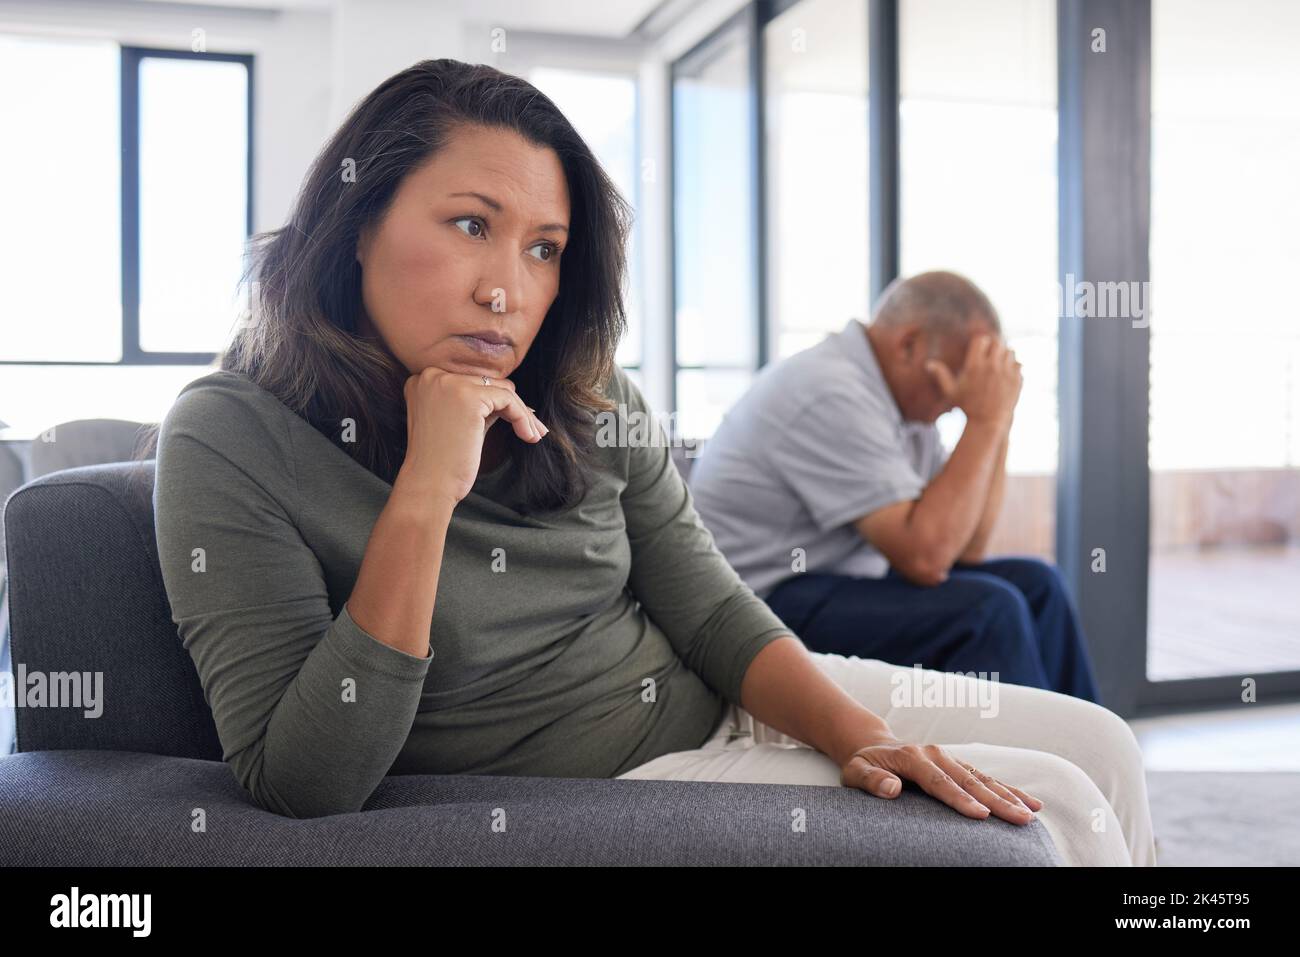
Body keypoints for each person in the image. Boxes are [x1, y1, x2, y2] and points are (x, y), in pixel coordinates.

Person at [149, 59, 1151, 865]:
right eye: (470, 226)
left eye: (544, 249)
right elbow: (304, 782)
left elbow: (712, 609)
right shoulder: (227, 436)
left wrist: (852, 734)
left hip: (723, 705)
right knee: (1052, 806)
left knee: (1103, 745)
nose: (508, 291)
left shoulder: (585, 393)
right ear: (356, 226)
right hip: (606, 777)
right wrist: (425, 489)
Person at [689, 272, 1101, 703]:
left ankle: (1088, 759)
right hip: (757, 605)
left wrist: (999, 421)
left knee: (1039, 584)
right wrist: (985, 420)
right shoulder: (831, 390)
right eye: (953, 383)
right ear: (910, 345)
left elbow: (967, 548)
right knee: (988, 611)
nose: (953, 401)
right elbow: (926, 557)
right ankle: (1028, 768)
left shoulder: (908, 404)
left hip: (838, 578)